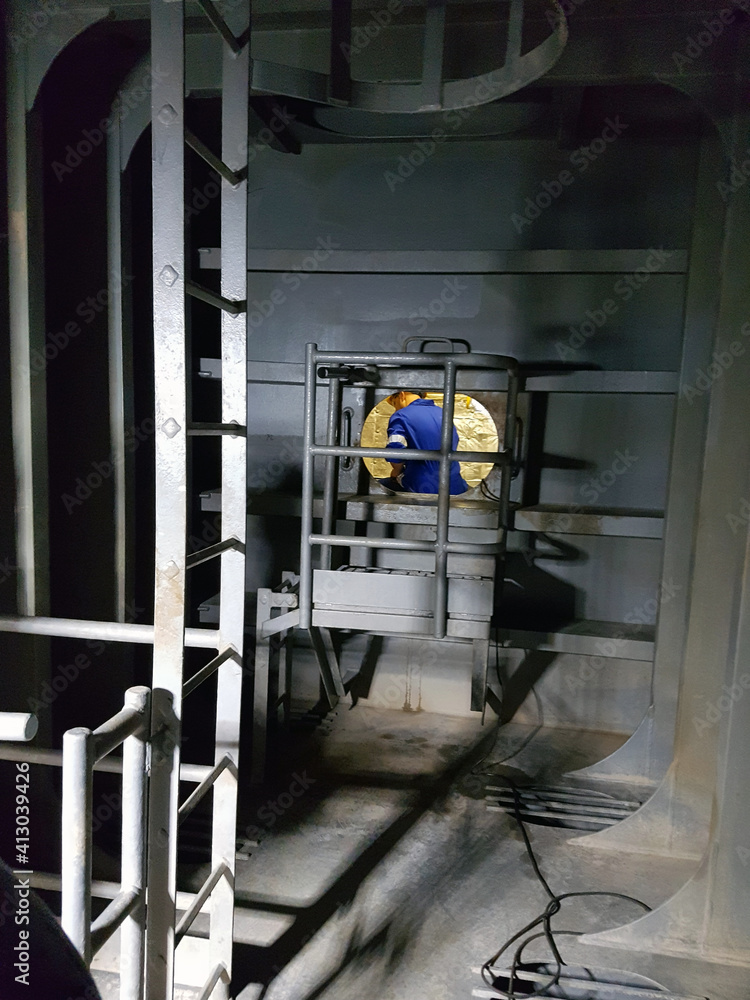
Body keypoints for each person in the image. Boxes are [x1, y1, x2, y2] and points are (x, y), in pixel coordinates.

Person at [379, 391, 468, 495]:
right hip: (455, 486)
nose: (396, 408)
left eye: (394, 403)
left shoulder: (400, 415)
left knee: (379, 488)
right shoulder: (444, 413)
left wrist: (396, 472)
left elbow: (395, 451)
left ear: (402, 395)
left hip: (420, 487)